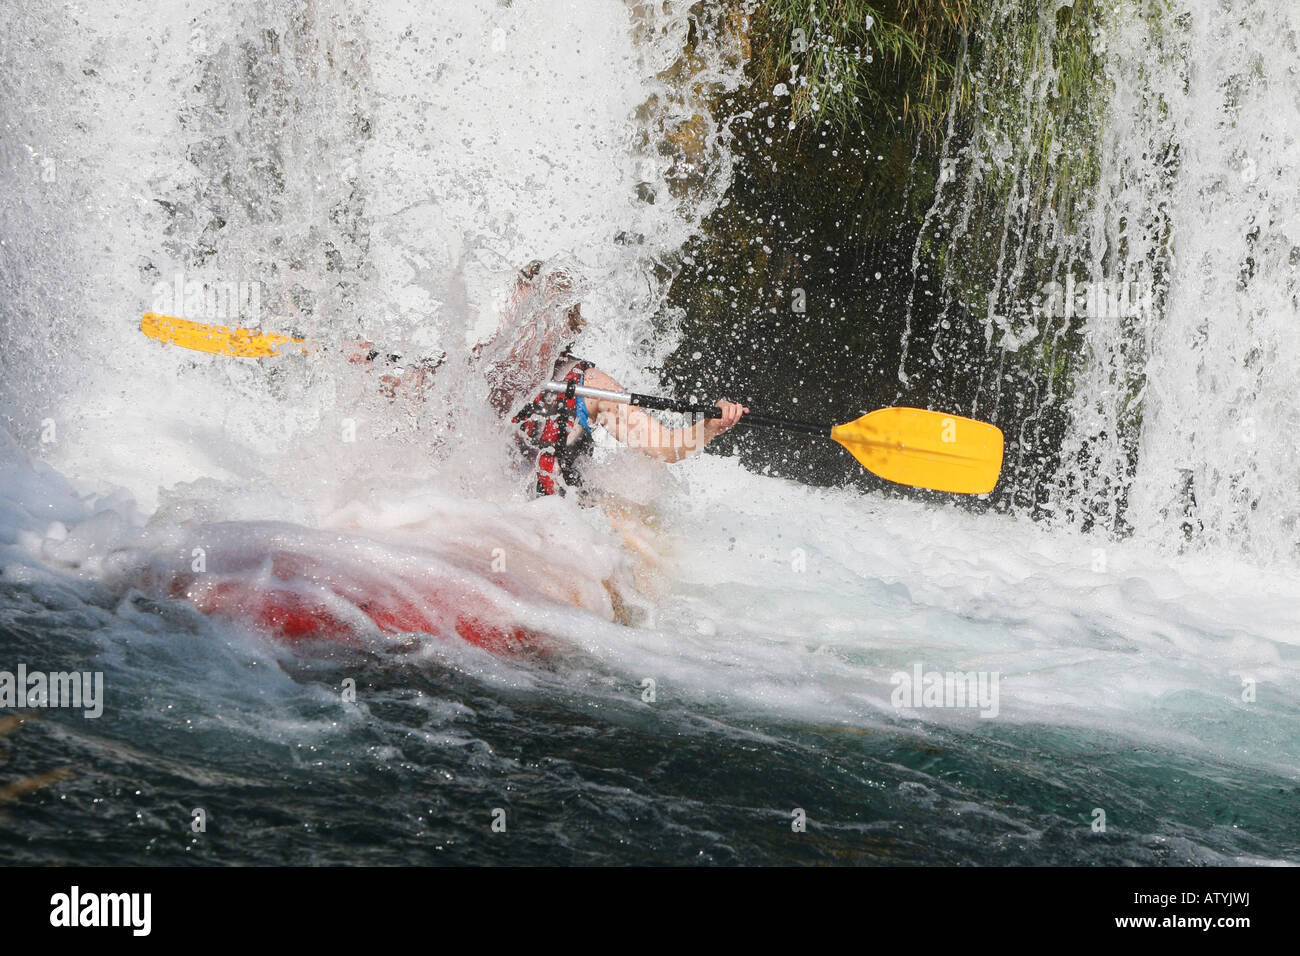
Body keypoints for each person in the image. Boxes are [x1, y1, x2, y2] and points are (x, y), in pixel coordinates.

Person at [498, 260, 748, 497]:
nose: (522, 327)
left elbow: (667, 448)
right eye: (519, 314)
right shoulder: (480, 370)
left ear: (565, 327)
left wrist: (709, 427)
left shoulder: (590, 385)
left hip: (558, 525)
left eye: (535, 318)